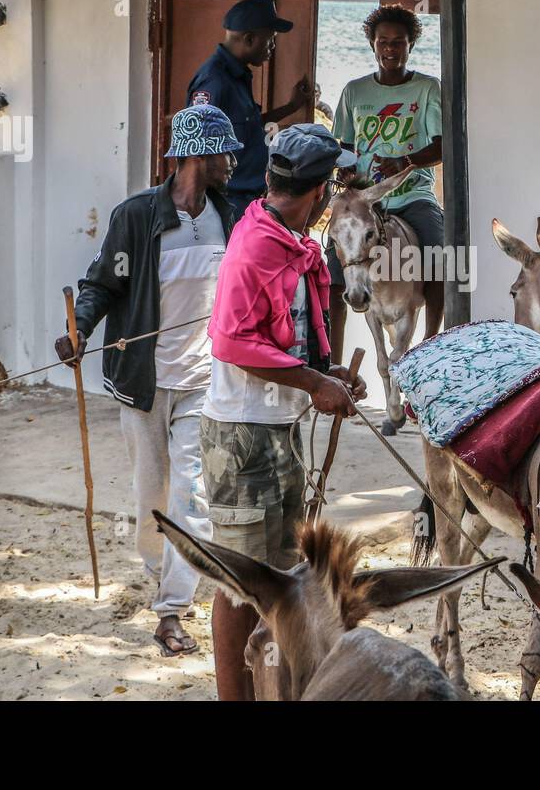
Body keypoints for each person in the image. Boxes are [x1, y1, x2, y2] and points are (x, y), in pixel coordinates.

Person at [56, 104, 239, 657]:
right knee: (150, 498)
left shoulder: (229, 214)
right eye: (223, 151)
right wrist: (79, 330)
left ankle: (171, 611)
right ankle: (165, 574)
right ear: (195, 156)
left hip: (204, 380)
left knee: (193, 494)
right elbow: (100, 285)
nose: (233, 161)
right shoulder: (136, 217)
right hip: (142, 381)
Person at [202, 122, 366, 700]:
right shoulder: (254, 248)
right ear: (320, 194)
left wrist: (330, 375)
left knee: (280, 572)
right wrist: (313, 382)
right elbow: (234, 342)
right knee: (239, 581)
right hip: (243, 435)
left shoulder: (294, 241)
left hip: (281, 428)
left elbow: (293, 339)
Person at [327, 3, 445, 362]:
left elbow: (442, 145)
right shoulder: (354, 92)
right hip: (366, 201)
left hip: (413, 195)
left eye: (399, 42)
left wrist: (406, 161)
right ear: (372, 44)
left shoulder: (427, 89)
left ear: (411, 45)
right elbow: (344, 147)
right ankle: (334, 360)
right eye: (383, 42)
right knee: (334, 265)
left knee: (441, 257)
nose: (390, 49)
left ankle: (430, 343)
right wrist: (345, 172)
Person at [186, 0, 311, 219]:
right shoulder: (215, 81)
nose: (273, 46)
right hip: (226, 204)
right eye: (270, 39)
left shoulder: (238, 75)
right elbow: (197, 147)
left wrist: (292, 106)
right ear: (250, 39)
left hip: (246, 200)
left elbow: (249, 126)